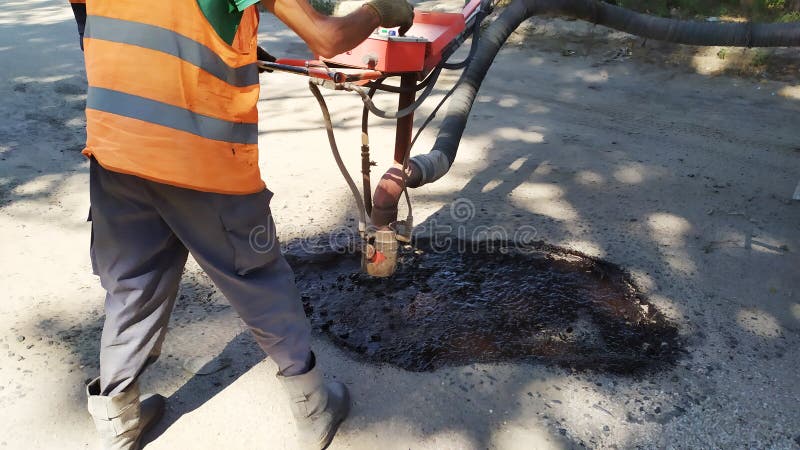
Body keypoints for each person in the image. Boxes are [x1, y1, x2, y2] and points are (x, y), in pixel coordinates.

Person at [79, 0, 413, 449]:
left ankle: (117, 424)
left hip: (116, 142)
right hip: (199, 157)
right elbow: (328, 38)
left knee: (132, 283)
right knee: (259, 279)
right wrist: (379, 11)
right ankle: (314, 408)